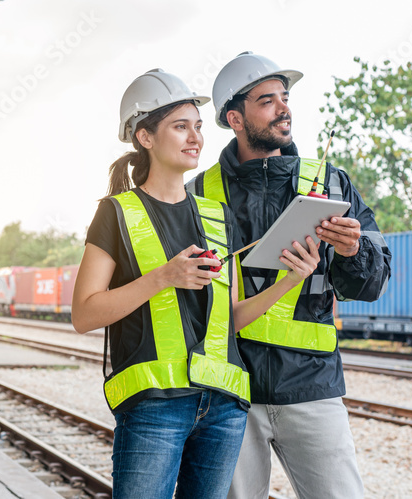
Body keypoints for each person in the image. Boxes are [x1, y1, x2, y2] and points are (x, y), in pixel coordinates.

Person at [72, 68, 321, 499]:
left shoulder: (215, 215)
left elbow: (233, 318)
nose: (196, 137)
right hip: (153, 407)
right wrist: (164, 277)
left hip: (223, 406)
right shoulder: (116, 212)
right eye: (180, 126)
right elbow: (84, 314)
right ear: (145, 137)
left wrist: (290, 280)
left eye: (199, 127)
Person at [186, 53, 392, 499]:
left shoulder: (330, 184)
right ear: (235, 118)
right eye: (267, 100)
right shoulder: (197, 195)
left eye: (285, 97)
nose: (284, 108)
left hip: (312, 387)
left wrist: (352, 250)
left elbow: (371, 285)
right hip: (228, 392)